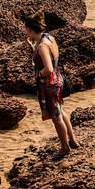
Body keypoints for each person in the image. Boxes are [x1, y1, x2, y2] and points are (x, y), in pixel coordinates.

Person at [24, 11, 80, 156]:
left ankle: (65, 148)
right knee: (60, 109)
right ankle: (73, 141)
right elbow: (50, 57)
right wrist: (33, 48)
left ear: (30, 29)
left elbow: (48, 68)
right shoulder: (48, 38)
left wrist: (38, 74)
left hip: (49, 84)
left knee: (56, 117)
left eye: (26, 29)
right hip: (58, 79)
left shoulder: (42, 46)